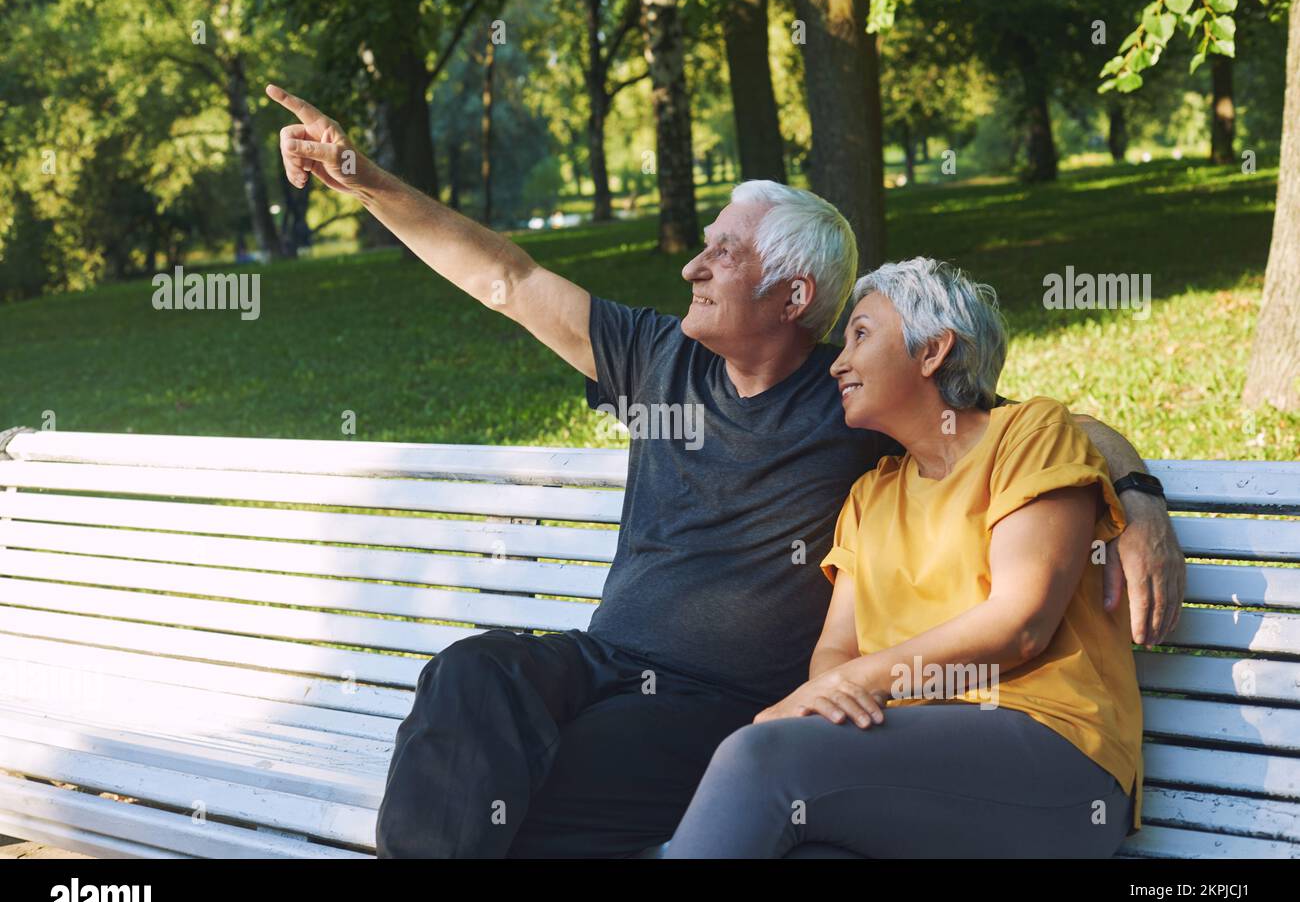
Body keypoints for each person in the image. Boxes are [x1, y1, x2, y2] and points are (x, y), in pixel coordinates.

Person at [265, 84, 1183, 858]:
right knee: (470, 676)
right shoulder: (655, 355)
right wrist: (369, 183)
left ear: (795, 298)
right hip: (601, 664)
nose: (693, 265)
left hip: (719, 709)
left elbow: (1016, 424)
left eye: (723, 251)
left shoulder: (854, 402)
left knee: (513, 802)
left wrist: (1134, 494)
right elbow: (504, 278)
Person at [665, 259, 1144, 858]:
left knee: (760, 757)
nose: (837, 362)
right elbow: (837, 648)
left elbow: (1021, 623)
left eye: (861, 335)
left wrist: (837, 694)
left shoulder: (1028, 434)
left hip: (1054, 754)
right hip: (916, 765)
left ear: (933, 351)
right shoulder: (872, 494)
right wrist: (829, 696)